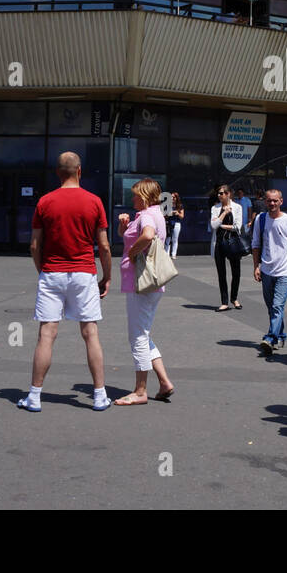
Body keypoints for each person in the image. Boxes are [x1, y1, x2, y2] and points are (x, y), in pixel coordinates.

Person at [17, 152, 113, 413]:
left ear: (58, 173)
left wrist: (43, 271)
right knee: (90, 333)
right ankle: (99, 395)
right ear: (79, 171)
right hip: (84, 273)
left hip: (52, 273)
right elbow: (103, 246)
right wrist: (107, 276)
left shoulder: (45, 202)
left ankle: (35, 396)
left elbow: (34, 245)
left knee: (46, 334)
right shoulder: (94, 202)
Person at [115, 178, 175, 405]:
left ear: (145, 196)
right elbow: (140, 235)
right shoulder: (153, 214)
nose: (132, 198)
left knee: (137, 336)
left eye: (135, 195)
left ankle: (140, 391)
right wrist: (124, 228)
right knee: (144, 333)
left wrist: (131, 253)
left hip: (141, 282)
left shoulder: (148, 215)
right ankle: (164, 382)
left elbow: (148, 236)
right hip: (150, 283)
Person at [251, 188, 287, 356]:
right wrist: (256, 266)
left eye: (275, 200)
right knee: (271, 307)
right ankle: (281, 335)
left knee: (277, 305)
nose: (272, 203)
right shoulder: (261, 219)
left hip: (285, 271)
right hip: (266, 270)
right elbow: (256, 245)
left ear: (281, 201)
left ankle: (271, 337)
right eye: (269, 200)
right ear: (265, 202)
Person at [210, 185, 245, 311]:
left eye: (222, 193)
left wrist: (222, 225)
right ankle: (224, 302)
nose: (219, 195)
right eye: (218, 193)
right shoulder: (215, 208)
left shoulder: (237, 207)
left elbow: (237, 226)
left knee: (236, 272)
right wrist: (224, 212)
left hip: (233, 243)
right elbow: (213, 225)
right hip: (219, 243)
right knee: (221, 274)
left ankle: (234, 298)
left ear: (228, 194)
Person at [165, 192, 184, 259]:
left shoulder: (180, 206)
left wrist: (177, 213)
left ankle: (174, 254)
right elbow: (164, 216)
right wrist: (169, 214)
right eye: (171, 197)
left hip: (176, 223)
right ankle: (166, 254)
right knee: (168, 239)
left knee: (175, 239)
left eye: (174, 197)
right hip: (169, 223)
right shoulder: (167, 205)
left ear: (176, 198)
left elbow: (182, 216)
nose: (172, 198)